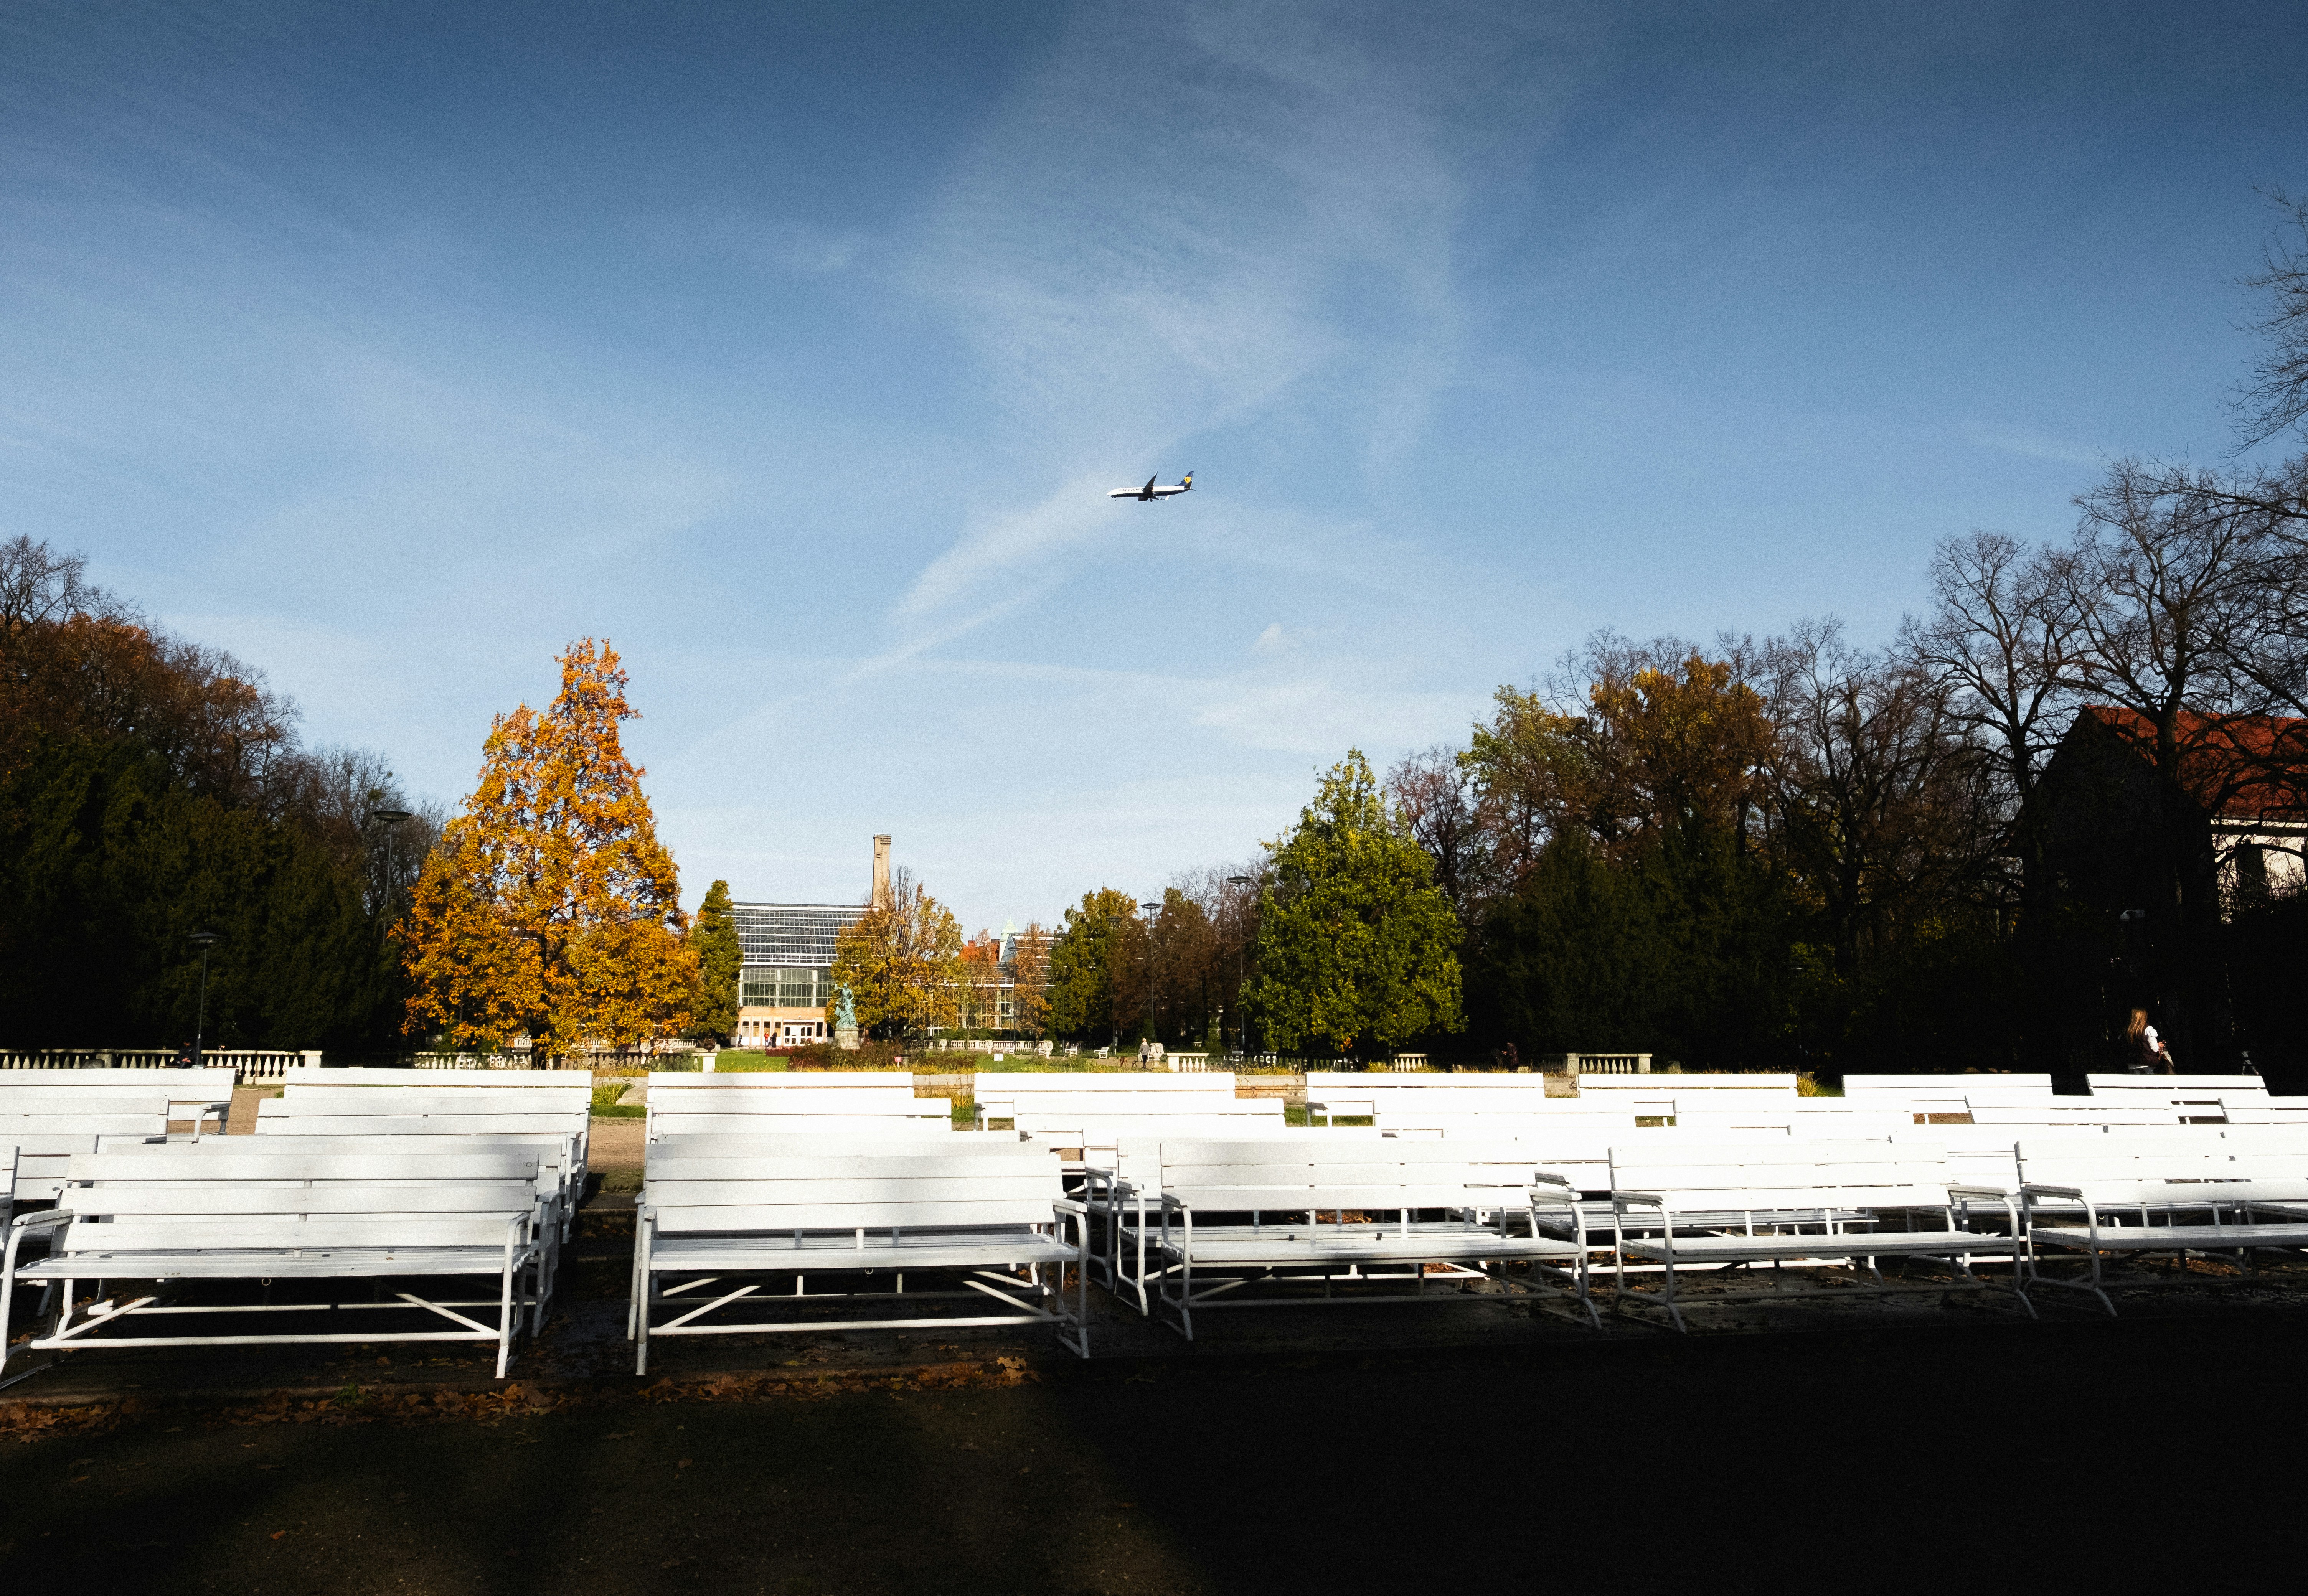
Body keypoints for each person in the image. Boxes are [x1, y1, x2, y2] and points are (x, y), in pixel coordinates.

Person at [2122, 1008, 2172, 1074]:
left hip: (2132, 1065)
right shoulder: (2148, 1029)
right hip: (2147, 1065)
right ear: (2144, 1017)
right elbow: (2155, 1049)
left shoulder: (2127, 1030)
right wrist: (2159, 1045)